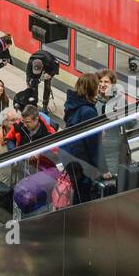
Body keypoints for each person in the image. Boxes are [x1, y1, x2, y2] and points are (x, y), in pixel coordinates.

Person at [61, 73, 102, 205]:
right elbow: (93, 143)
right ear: (92, 89)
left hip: (69, 155)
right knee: (83, 195)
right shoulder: (88, 112)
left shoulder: (72, 104)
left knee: (78, 192)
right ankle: (81, 221)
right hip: (81, 160)